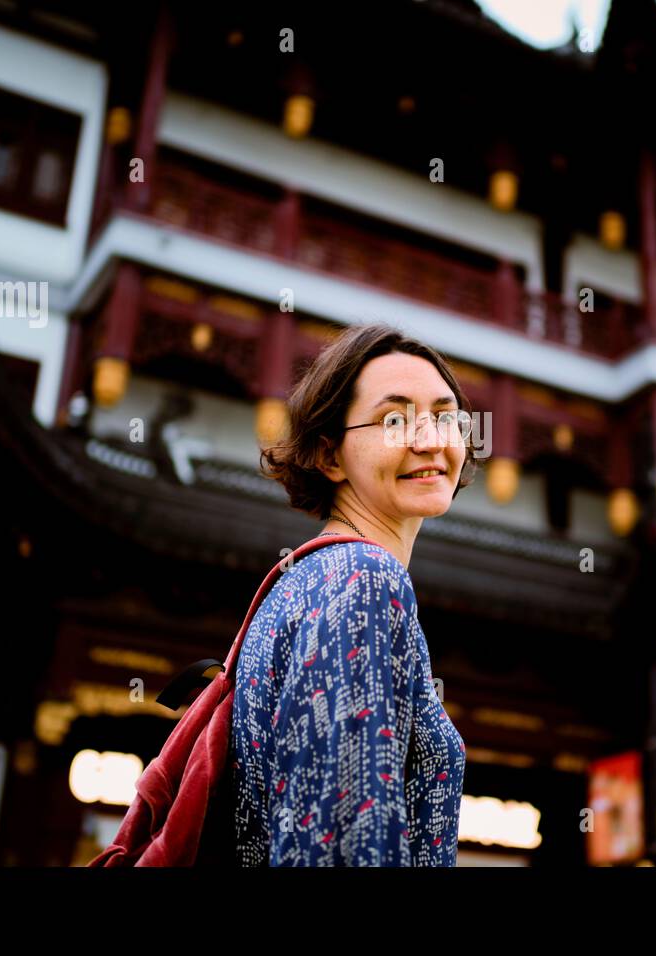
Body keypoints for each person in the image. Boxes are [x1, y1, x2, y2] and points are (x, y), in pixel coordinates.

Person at [228, 323, 477, 865]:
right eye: (395, 419)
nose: (430, 439)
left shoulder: (310, 579)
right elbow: (343, 834)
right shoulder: (359, 579)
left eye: (444, 416)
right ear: (328, 455)